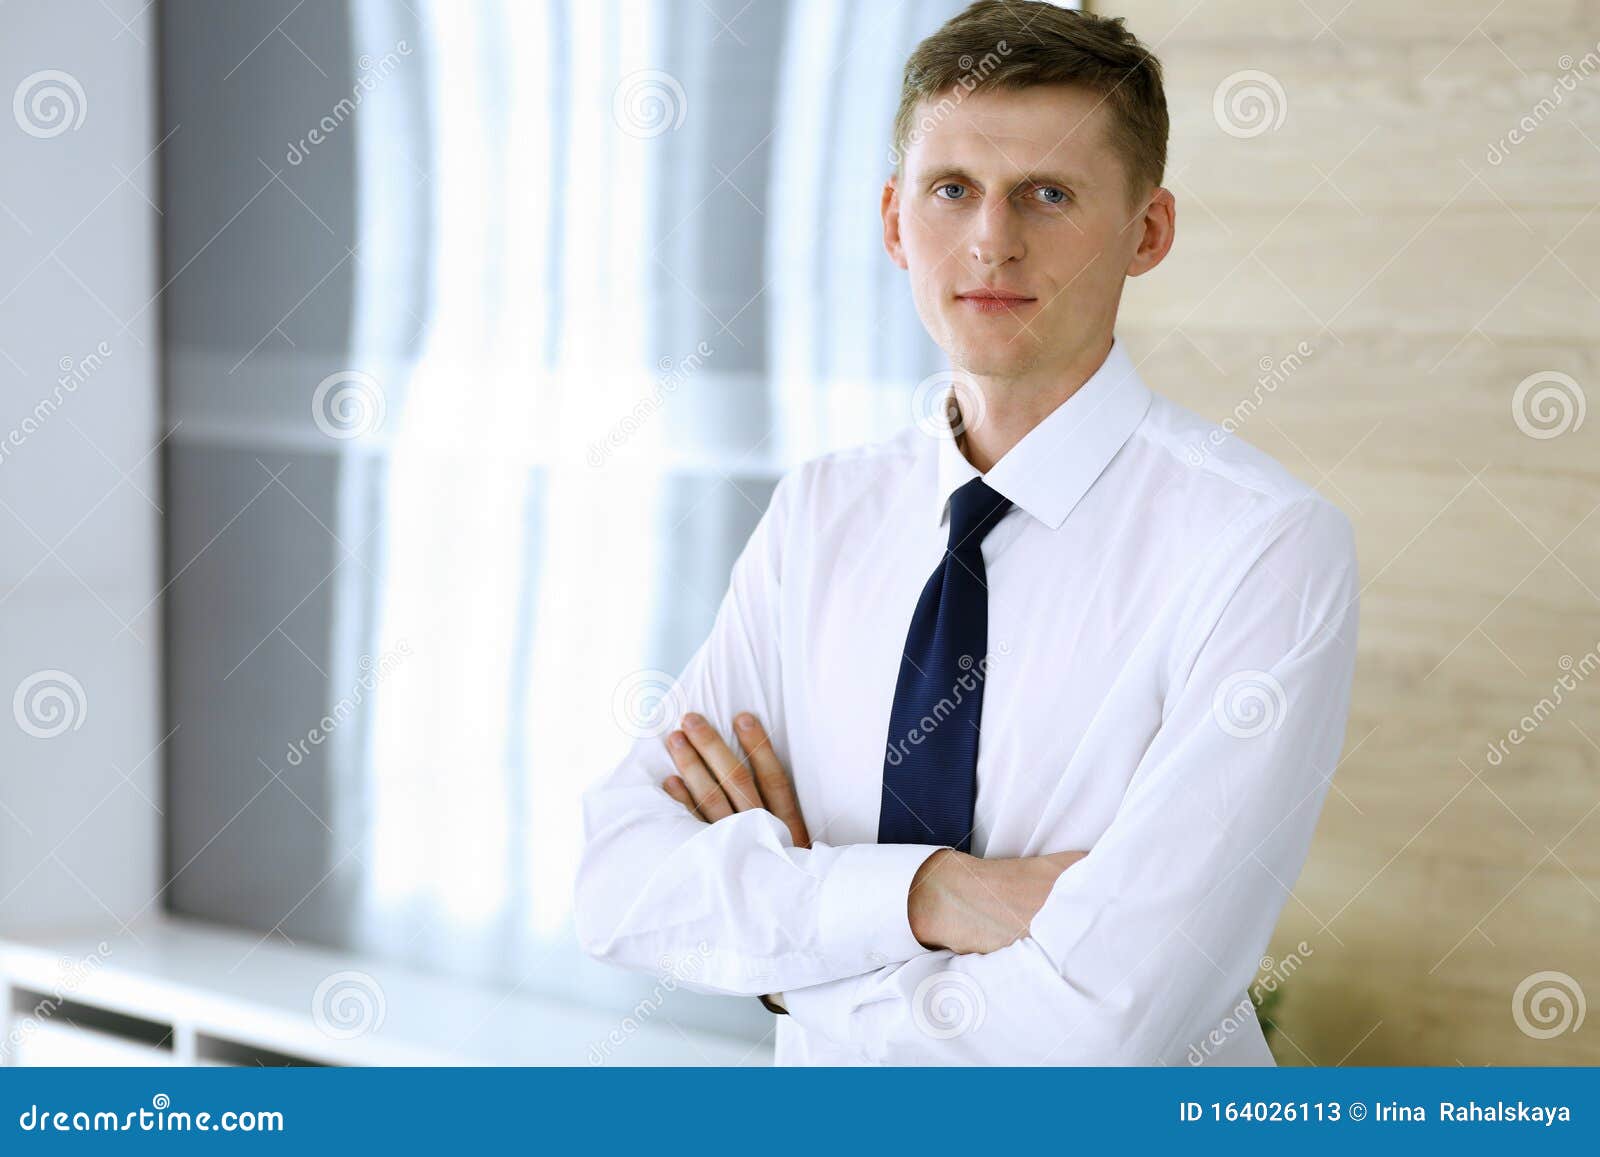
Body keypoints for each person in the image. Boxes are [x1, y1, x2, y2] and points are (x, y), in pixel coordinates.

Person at [574, 0, 1358, 1066]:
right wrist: (937, 893)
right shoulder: (819, 513)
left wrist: (799, 945)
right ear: (895, 220)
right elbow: (622, 885)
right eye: (953, 190)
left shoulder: (1263, 547)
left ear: (1148, 231)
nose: (992, 238)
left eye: (1048, 192)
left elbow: (1105, 1027)